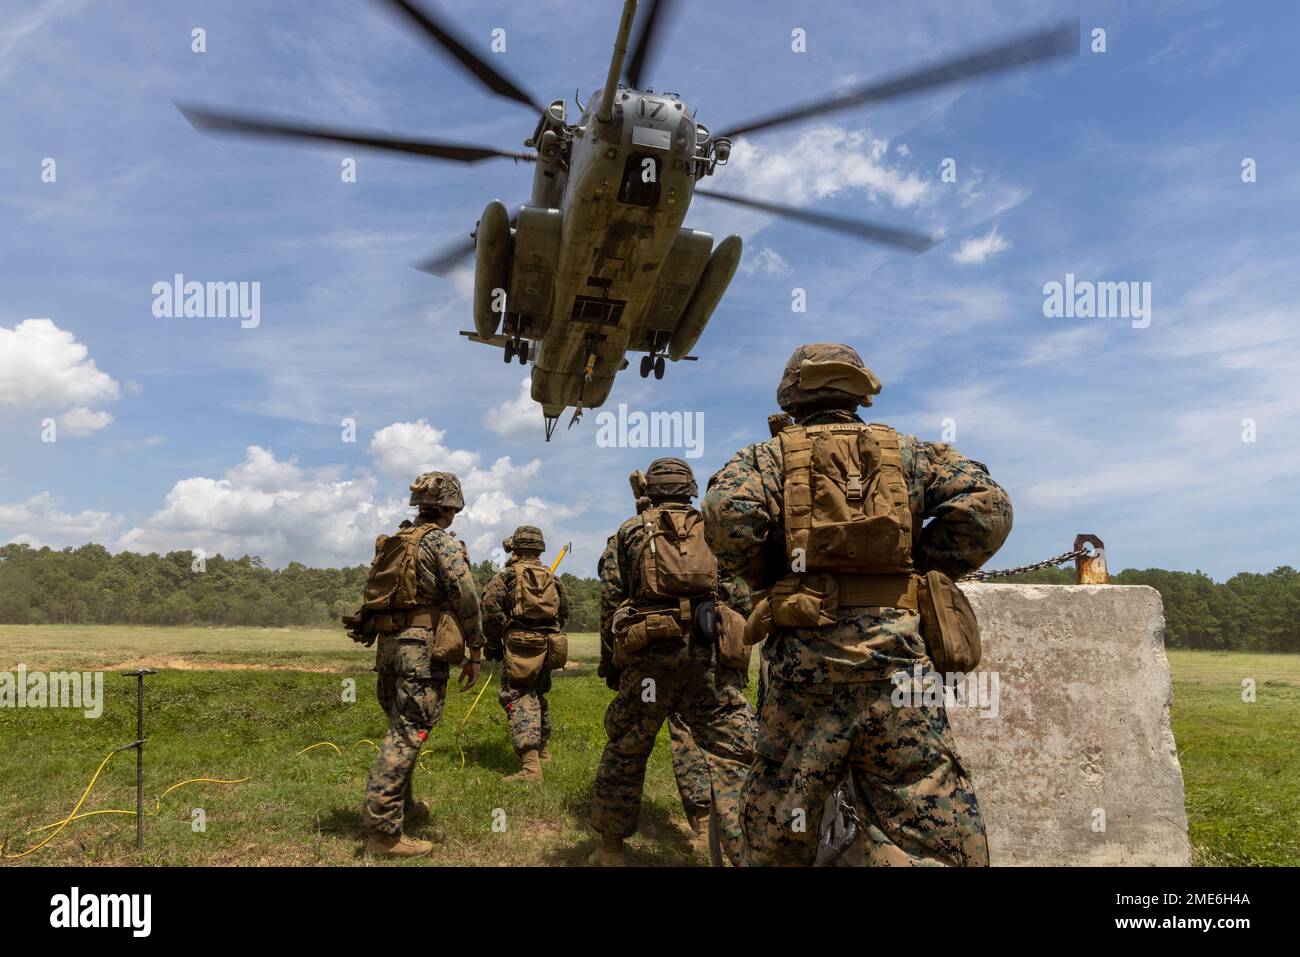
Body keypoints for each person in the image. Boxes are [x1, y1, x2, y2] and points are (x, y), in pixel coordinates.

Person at [701, 343, 1013, 867]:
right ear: (859, 393)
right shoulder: (912, 453)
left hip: (806, 664)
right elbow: (989, 509)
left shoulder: (766, 457)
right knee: (923, 811)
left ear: (792, 395)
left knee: (782, 812)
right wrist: (922, 566)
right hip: (898, 659)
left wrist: (777, 580)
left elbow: (727, 517)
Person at [589, 457, 756, 867]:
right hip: (706, 656)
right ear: (690, 488)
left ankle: (610, 849)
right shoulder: (712, 530)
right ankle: (733, 844)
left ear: (652, 488)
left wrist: (613, 663)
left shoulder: (627, 533)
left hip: (648, 656)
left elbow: (611, 601)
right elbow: (738, 595)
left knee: (627, 747)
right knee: (731, 752)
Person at [346, 471, 483, 858]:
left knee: (400, 725)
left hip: (389, 646)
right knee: (409, 732)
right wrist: (475, 649)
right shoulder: (441, 543)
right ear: (452, 508)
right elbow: (467, 597)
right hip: (420, 649)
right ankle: (384, 833)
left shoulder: (396, 540)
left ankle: (402, 807)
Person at [481, 525, 570, 783]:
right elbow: (564, 611)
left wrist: (495, 643)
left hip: (519, 647)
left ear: (515, 549)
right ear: (540, 549)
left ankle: (530, 769)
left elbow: (489, 610)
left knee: (519, 697)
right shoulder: (553, 579)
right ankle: (543, 753)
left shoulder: (506, 577)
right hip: (549, 647)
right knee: (538, 694)